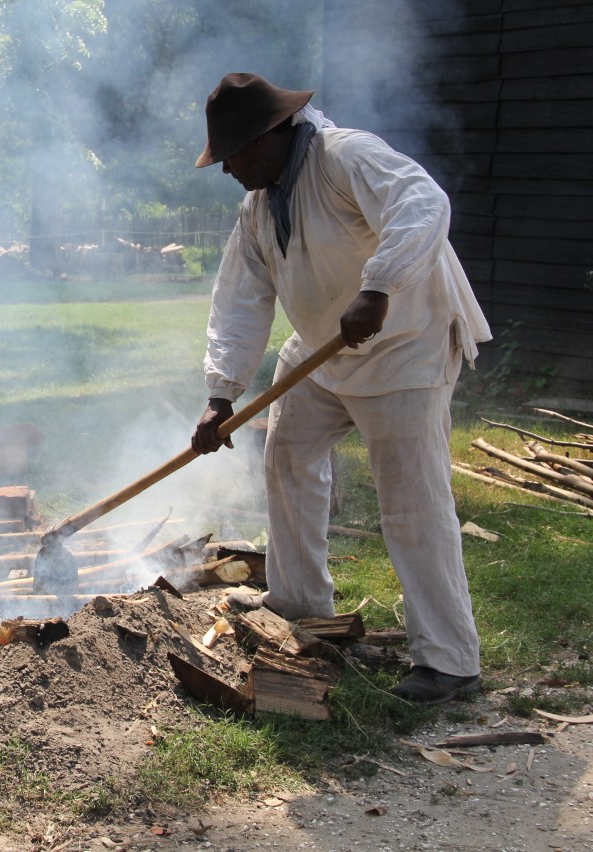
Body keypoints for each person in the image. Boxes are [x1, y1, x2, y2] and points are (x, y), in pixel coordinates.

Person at [189, 73, 492, 703]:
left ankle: (449, 661)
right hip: (322, 353)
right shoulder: (257, 209)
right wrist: (222, 395)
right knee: (288, 456)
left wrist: (378, 287)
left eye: (234, 153)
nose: (227, 170)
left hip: (407, 346)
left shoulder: (345, 156)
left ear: (271, 137)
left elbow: (422, 204)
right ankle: (299, 601)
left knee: (412, 502)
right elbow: (240, 304)